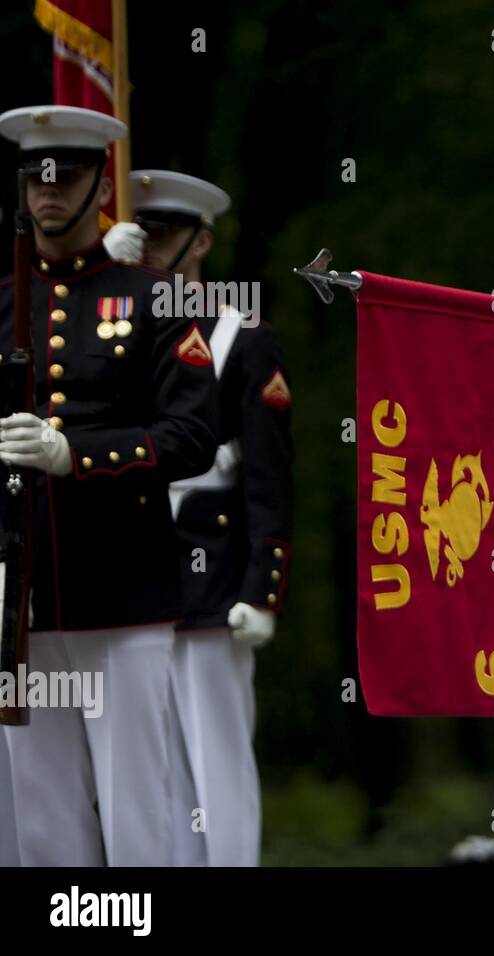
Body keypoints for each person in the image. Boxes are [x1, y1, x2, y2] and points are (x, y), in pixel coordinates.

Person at [0, 105, 217, 865]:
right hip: (24, 596)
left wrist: (75, 456)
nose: (49, 192)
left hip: (123, 592)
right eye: (36, 177)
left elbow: (192, 436)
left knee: (137, 811)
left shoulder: (160, 299)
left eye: (66, 176)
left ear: (101, 186)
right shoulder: (4, 298)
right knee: (41, 816)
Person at [104, 171, 292, 865]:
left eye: (165, 234)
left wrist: (261, 587)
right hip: (129, 553)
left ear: (201, 240)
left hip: (211, 562)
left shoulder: (241, 335)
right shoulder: (112, 327)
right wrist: (102, 279)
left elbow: (270, 474)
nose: (150, 247)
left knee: (215, 750)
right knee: (149, 759)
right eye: (140, 233)